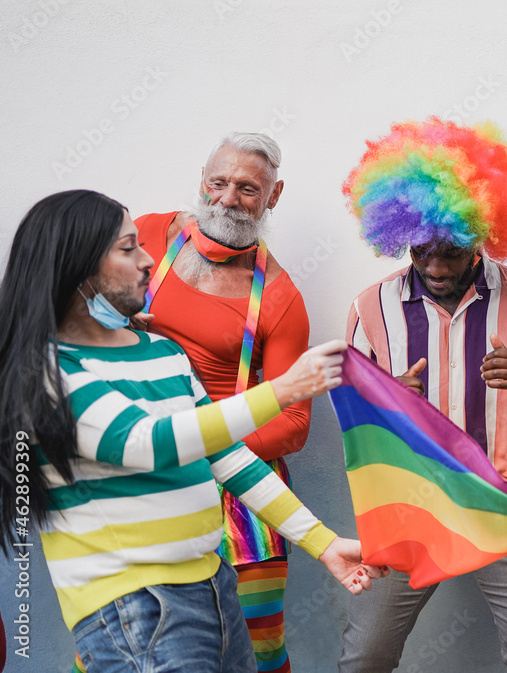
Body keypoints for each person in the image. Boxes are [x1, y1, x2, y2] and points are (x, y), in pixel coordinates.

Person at [0, 190, 386, 672]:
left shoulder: (161, 352)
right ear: (79, 268)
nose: (147, 261)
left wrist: (324, 543)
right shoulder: (46, 373)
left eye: (141, 244)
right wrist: (282, 390)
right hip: (134, 609)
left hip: (214, 587)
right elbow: (150, 441)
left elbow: (226, 455)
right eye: (127, 248)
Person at [338, 118, 507, 673]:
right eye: (423, 251)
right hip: (408, 504)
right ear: (401, 235)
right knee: (364, 658)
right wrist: (384, 403)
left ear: (484, 231)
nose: (438, 267)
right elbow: (352, 422)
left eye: (453, 251)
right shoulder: (370, 307)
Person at [132, 132, 309, 673]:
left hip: (239, 490)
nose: (229, 198)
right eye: (219, 182)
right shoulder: (144, 235)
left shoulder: (280, 299)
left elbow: (295, 423)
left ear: (273, 197)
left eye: (248, 189)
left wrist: (201, 440)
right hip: (140, 467)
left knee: (255, 649)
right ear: (202, 181)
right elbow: (71, 305)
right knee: (125, 636)